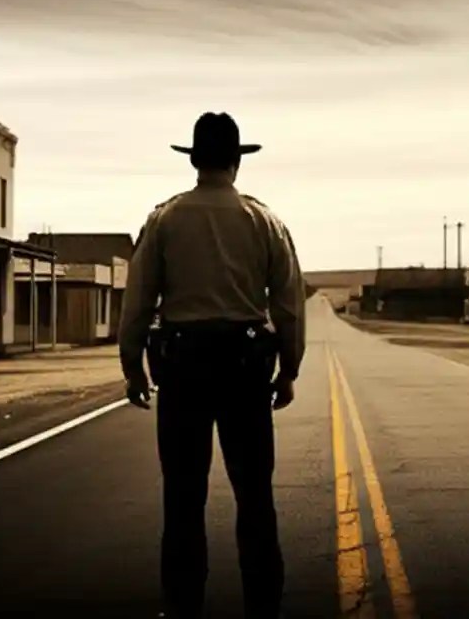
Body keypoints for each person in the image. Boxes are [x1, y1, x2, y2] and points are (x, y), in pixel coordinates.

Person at [117, 111, 307, 619]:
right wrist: (288, 370)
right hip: (245, 369)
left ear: (196, 160)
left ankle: (183, 608)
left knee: (182, 500)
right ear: (236, 163)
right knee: (254, 497)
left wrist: (132, 365)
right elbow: (288, 304)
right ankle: (263, 605)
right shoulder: (265, 221)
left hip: (182, 370)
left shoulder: (164, 219)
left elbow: (138, 300)